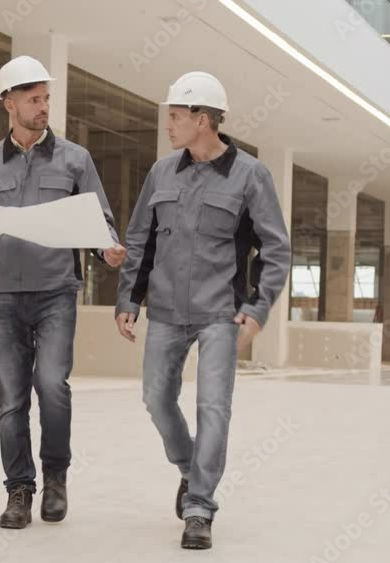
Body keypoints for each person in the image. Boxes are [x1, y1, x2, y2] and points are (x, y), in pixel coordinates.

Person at [115, 71, 291, 549]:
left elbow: (276, 248)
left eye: (175, 117)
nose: (168, 125)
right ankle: (190, 469)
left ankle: (199, 507)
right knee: (155, 398)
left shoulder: (250, 175)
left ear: (204, 119)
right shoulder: (161, 173)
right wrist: (128, 297)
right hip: (167, 309)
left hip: (221, 312)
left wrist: (258, 307)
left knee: (213, 407)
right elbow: (140, 238)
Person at [0, 55, 126, 529]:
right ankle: (19, 490)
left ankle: (55, 479)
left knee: (52, 386)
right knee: (11, 401)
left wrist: (106, 250)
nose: (43, 106)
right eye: (34, 99)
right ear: (9, 103)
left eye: (46, 98)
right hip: (5, 297)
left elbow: (102, 223)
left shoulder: (75, 159)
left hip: (56, 293)